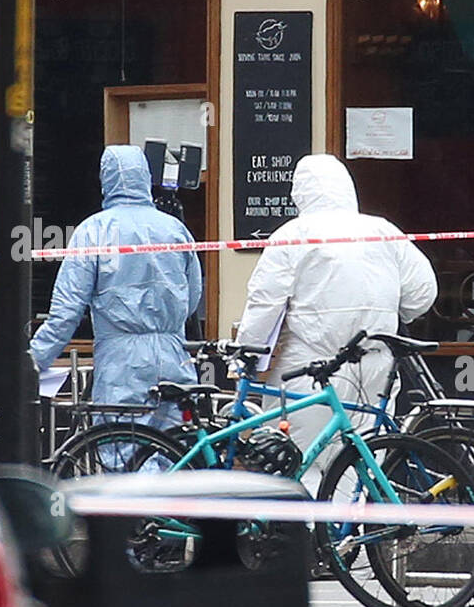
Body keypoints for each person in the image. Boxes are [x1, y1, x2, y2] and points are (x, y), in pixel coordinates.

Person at [234, 154, 437, 488]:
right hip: (375, 366)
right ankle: (347, 536)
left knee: (302, 464)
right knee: (362, 464)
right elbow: (422, 293)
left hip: (308, 370)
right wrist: (396, 313)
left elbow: (264, 303)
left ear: (299, 193)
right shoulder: (382, 230)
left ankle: (309, 537)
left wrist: (247, 355)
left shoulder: (293, 234)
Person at [30, 145, 201, 423]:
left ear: (105, 180)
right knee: (173, 450)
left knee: (122, 450)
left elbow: (67, 310)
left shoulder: (94, 231)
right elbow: (193, 298)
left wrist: (36, 360)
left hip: (122, 363)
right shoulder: (175, 229)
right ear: (145, 177)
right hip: (173, 355)